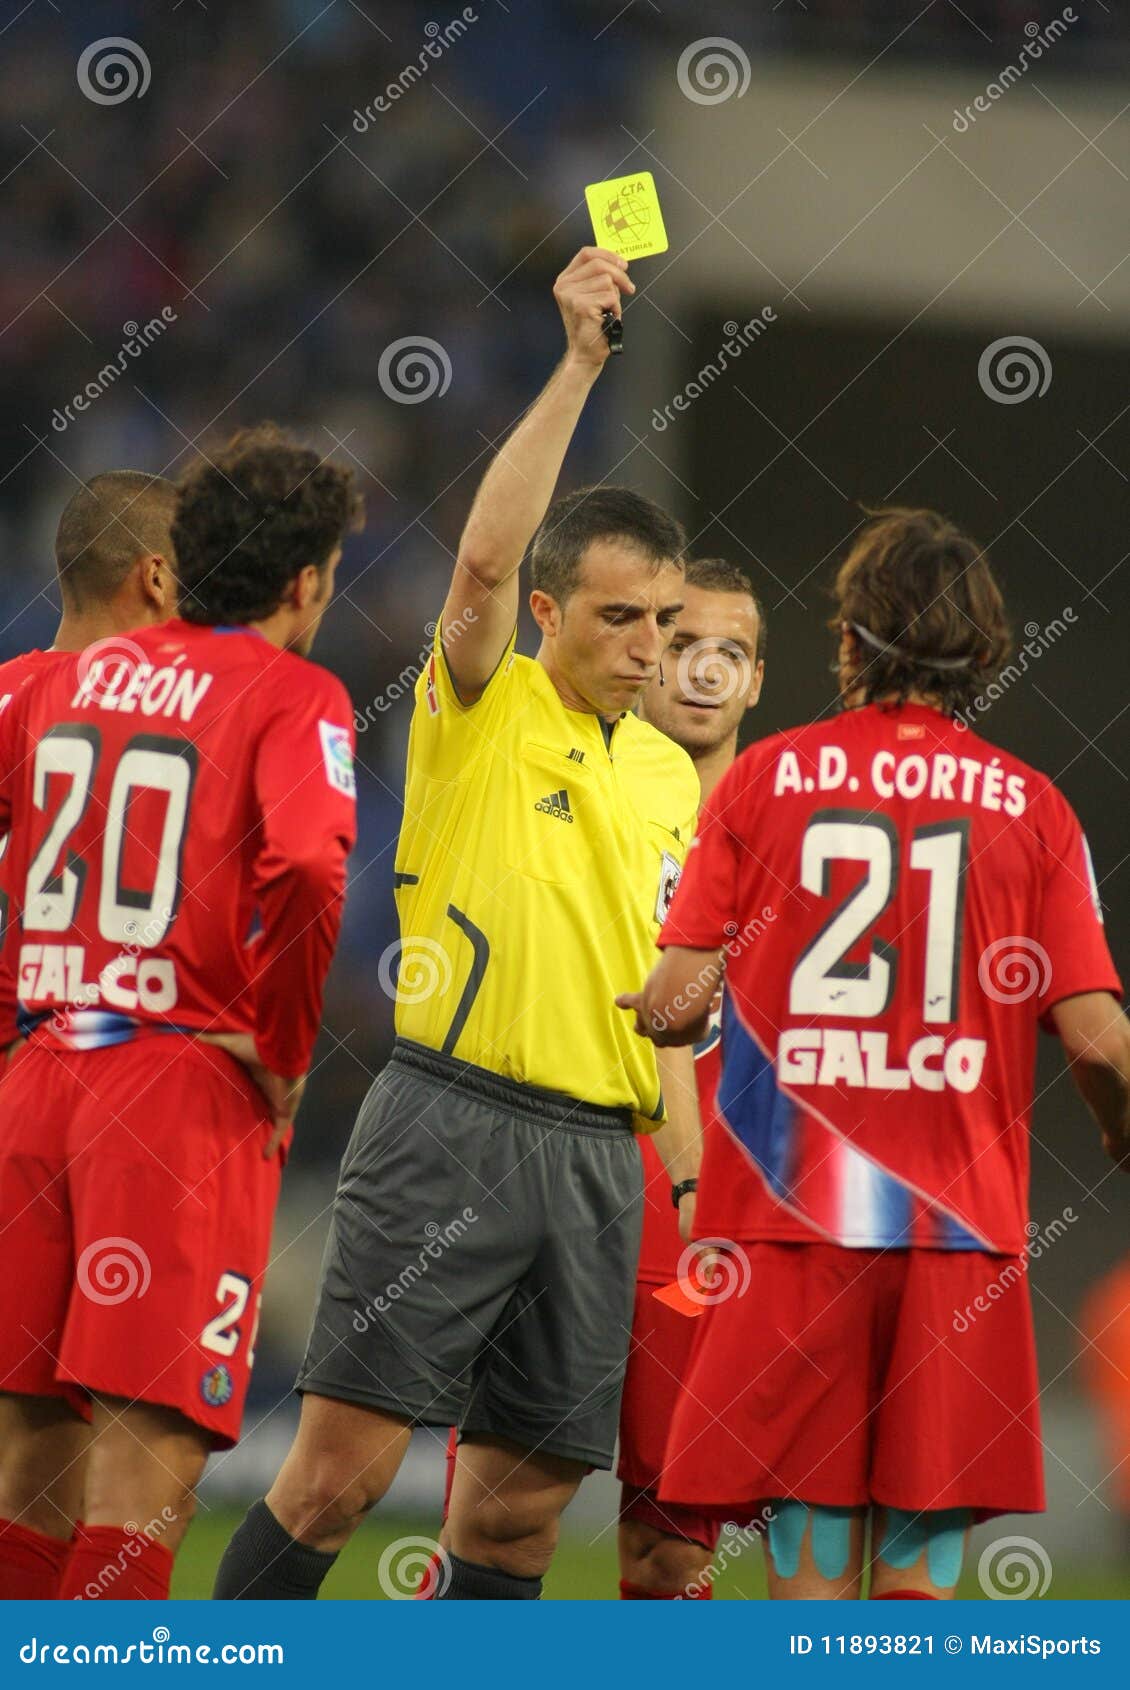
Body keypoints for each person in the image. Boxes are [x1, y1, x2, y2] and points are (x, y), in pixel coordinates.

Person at [213, 248, 702, 1602]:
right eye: (616, 617)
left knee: (514, 1529)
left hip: (599, 1158)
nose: (647, 644)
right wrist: (580, 366)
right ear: (547, 612)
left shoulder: (669, 772)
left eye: (663, 618)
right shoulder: (481, 701)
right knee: (334, 1477)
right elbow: (481, 559)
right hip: (453, 1124)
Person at [621, 507, 1129, 1600]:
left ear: (849, 642)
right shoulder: (1035, 811)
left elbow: (674, 1000)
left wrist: (658, 1007)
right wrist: (1118, 1131)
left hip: (788, 1227)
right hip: (954, 1238)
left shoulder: (762, 783)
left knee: (802, 1588)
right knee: (915, 1604)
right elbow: (1097, 1041)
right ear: (984, 650)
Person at [0, 424, 361, 1601]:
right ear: (304, 581)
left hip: (41, 1072)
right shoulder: (292, 692)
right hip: (172, 1091)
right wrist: (282, 1044)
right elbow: (309, 866)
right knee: (142, 1476)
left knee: (26, 1470)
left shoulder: (53, 682)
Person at [617, 557, 765, 1601]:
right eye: (682, 645)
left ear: (757, 678)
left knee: (678, 1540)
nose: (705, 670)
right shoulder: (578, 795)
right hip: (574, 1166)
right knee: (496, 1494)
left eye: (732, 652)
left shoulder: (799, 829)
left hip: (734, 1201)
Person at [0, 472, 180, 1061]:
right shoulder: (190, 716)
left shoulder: (8, 700)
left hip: (31, 1065)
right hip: (152, 1068)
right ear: (155, 577)